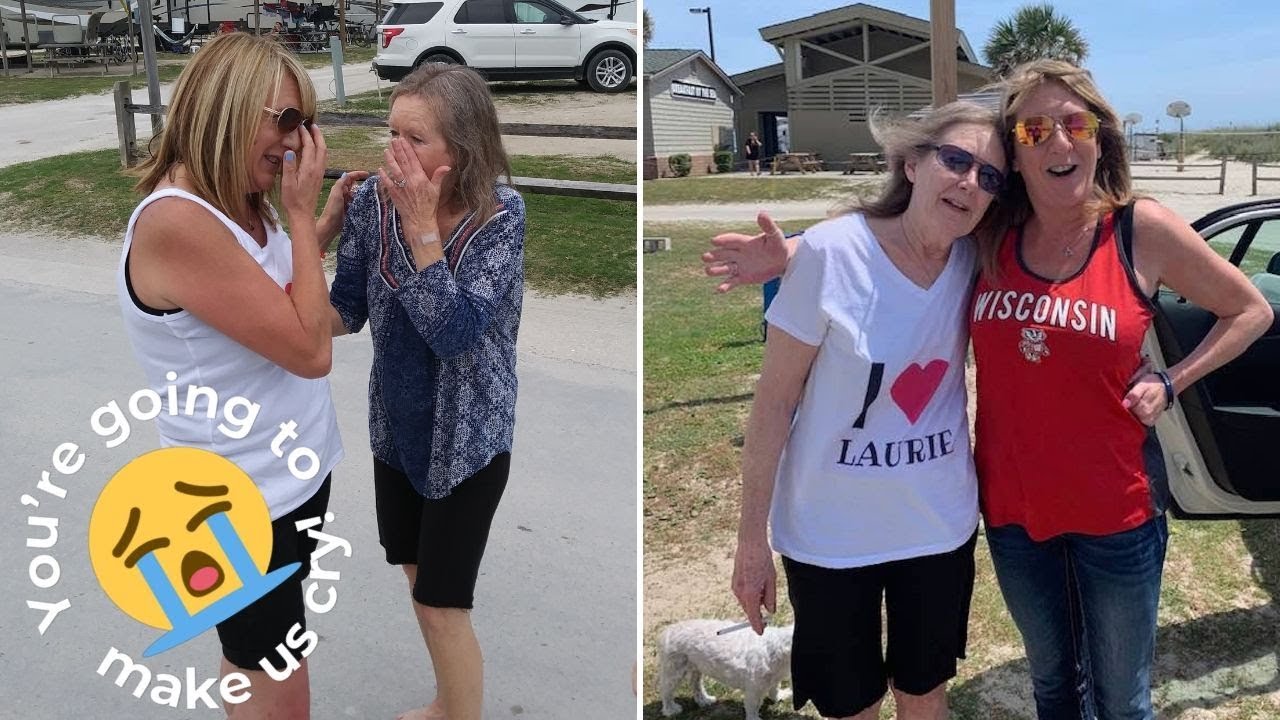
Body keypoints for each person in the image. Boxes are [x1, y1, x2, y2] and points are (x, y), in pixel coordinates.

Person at [709, 60, 1272, 720]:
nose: (1058, 142)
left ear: (1101, 136)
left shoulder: (1075, 235)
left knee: (1114, 700)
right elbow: (879, 246)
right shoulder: (983, 240)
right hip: (987, 519)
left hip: (1060, 515)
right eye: (1034, 132)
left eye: (1074, 123)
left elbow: (1250, 309)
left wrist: (1173, 381)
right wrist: (799, 253)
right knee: (1042, 688)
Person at [732, 101, 1007, 720]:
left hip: (937, 525)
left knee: (925, 691)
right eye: (956, 160)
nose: (970, 182)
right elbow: (773, 403)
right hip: (831, 532)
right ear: (912, 163)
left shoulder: (976, 259)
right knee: (848, 703)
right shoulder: (832, 254)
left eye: (990, 177)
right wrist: (752, 543)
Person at [120, 33, 364, 719]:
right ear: (228, 108)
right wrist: (297, 209)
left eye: (306, 123)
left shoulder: (237, 201)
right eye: (286, 120)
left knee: (254, 659)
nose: (298, 140)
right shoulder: (178, 224)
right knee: (278, 682)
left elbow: (270, 297)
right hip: (239, 506)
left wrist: (316, 227)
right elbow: (310, 348)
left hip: (287, 482)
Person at [327, 62, 525, 720]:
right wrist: (303, 233)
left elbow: (455, 335)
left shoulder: (500, 214)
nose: (396, 153)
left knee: (443, 606)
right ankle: (449, 702)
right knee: (420, 583)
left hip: (470, 438)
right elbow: (343, 310)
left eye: (416, 138)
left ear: (462, 148)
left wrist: (422, 232)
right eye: (393, 133)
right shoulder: (368, 202)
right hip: (399, 427)